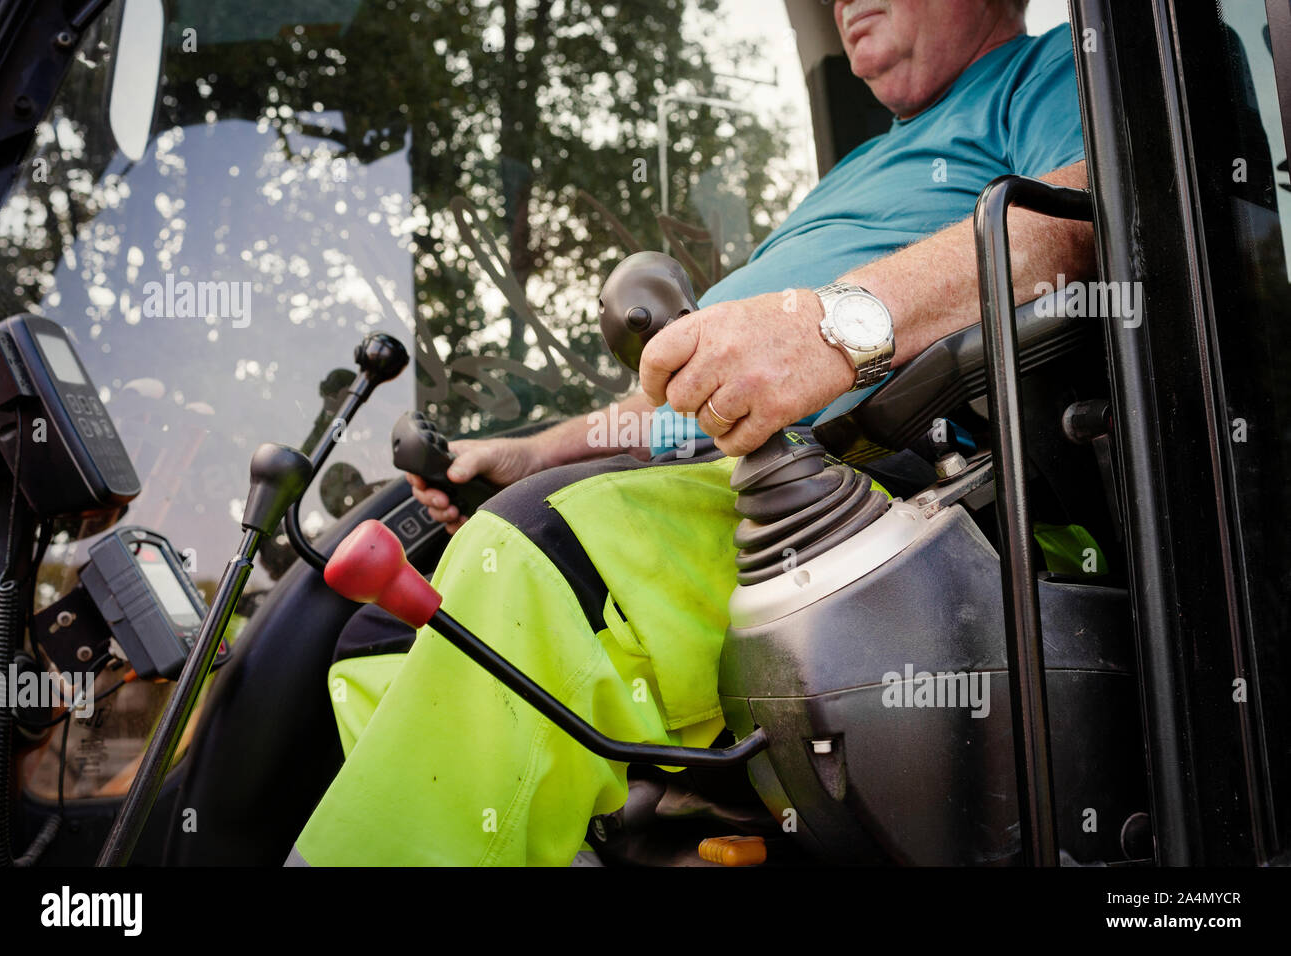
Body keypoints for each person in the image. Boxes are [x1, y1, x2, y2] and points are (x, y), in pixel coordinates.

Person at [290, 0, 1095, 866]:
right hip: (734, 470)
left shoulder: (1053, 72)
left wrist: (830, 329)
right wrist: (537, 450)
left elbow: (1085, 221)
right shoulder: (858, 167)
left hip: (886, 502)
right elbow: (705, 393)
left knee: (538, 556)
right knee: (385, 628)